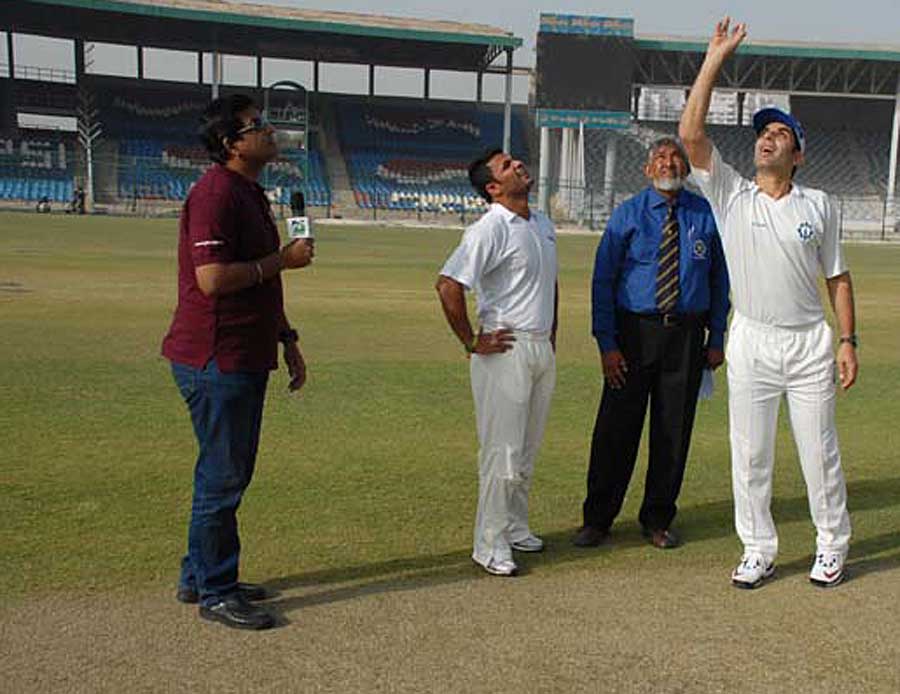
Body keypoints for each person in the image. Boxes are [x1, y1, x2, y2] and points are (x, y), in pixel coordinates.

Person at [679, 18, 858, 588]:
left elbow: (838, 277)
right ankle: (758, 547)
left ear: (798, 154)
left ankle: (831, 545)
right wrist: (714, 59)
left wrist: (848, 340)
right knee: (750, 455)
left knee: (818, 454)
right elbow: (690, 137)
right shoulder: (731, 193)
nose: (766, 137)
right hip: (752, 338)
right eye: (762, 131)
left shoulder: (820, 205)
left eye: (780, 133)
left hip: (809, 343)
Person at [161, 94, 315, 629]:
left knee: (223, 472)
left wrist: (287, 337)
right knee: (223, 476)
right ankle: (217, 590)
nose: (269, 131)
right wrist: (283, 260)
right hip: (215, 356)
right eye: (258, 125)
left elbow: (261, 283)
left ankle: (198, 575)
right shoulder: (215, 194)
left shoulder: (248, 192)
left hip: (244, 351)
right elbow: (213, 280)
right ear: (231, 143)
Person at [573, 138, 730, 551]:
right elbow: (602, 281)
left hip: (686, 336)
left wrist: (718, 335)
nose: (669, 162)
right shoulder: (627, 215)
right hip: (632, 333)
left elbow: (720, 280)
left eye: (675, 156)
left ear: (686, 167)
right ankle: (597, 519)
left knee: (673, 431)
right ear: (647, 170)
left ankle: (658, 518)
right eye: (660, 157)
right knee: (615, 430)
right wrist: (607, 343)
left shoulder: (705, 214)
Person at [436, 149, 558, 577]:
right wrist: (471, 340)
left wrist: (552, 338)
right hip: (505, 348)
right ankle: (489, 545)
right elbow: (449, 285)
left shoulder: (540, 222)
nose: (518, 166)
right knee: (502, 451)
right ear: (492, 187)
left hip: (541, 348)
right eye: (507, 167)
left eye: (515, 162)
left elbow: (550, 286)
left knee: (527, 448)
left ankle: (514, 526)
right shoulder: (489, 229)